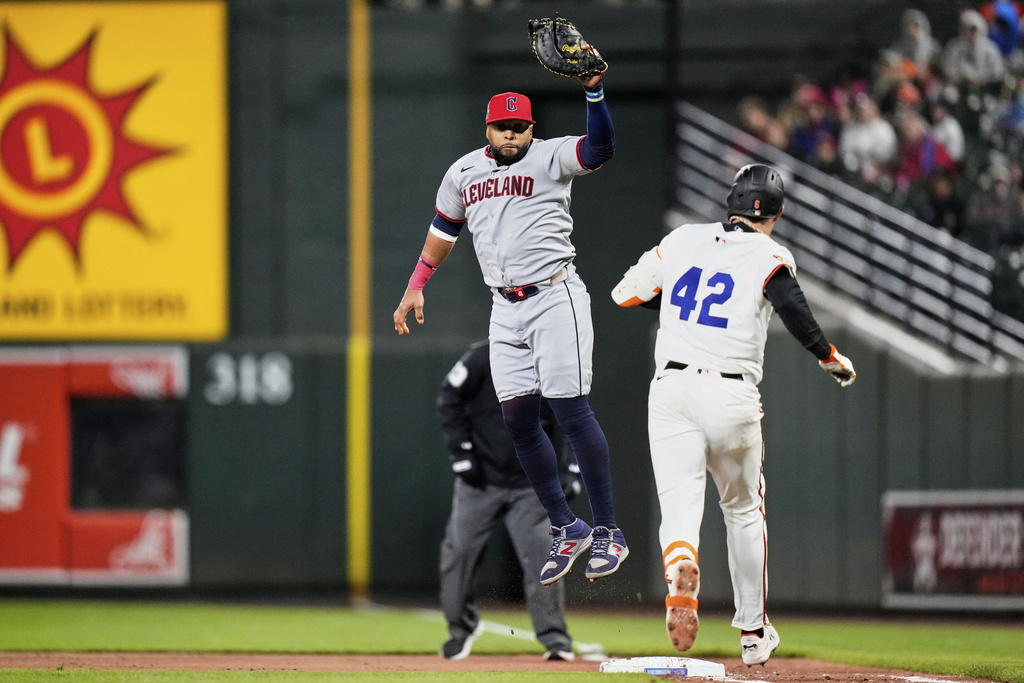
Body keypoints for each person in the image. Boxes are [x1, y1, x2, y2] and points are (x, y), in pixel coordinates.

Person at [610, 164, 857, 667]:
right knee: (743, 510)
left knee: (679, 505)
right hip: (732, 395)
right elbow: (793, 308)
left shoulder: (683, 239)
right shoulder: (770, 253)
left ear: (731, 202)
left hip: (672, 387)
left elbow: (625, 294)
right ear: (778, 213)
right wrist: (830, 356)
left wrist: (683, 311)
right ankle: (752, 632)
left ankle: (681, 564)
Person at [392, 66, 628, 587]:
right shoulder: (463, 173)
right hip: (504, 305)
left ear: (531, 129)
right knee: (518, 419)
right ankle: (567, 527)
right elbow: (443, 229)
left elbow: (601, 149)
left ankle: (610, 530)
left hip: (553, 294)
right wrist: (416, 283)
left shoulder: (550, 156)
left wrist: (594, 91)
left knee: (569, 410)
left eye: (519, 127)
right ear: (488, 129)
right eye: (503, 127)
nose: (511, 135)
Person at [436, 340, 582, 661]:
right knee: (458, 552)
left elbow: (574, 415)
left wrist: (572, 468)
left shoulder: (553, 360)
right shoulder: (481, 356)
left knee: (544, 559)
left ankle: (555, 638)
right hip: (480, 481)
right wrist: (461, 451)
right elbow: (449, 396)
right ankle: (460, 630)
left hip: (532, 484)